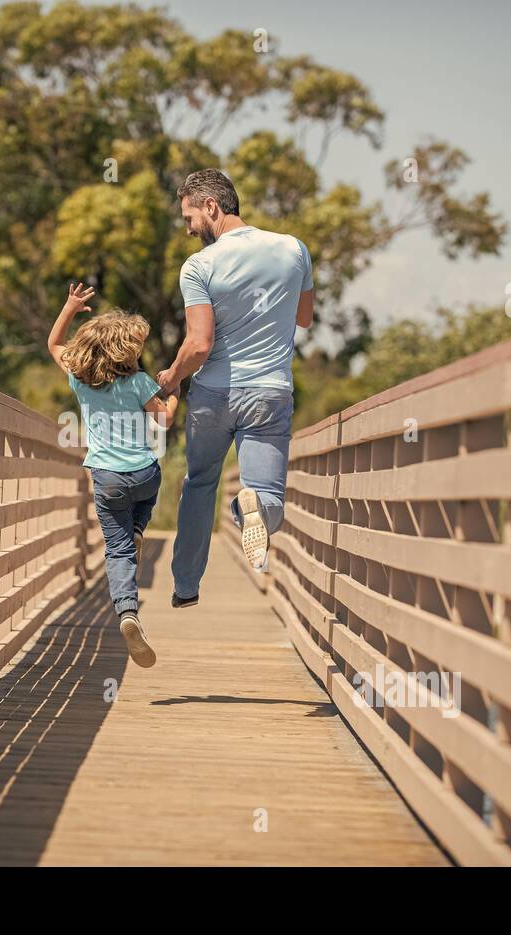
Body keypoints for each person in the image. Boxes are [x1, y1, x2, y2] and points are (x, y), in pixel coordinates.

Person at [155, 169, 315, 607]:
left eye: (189, 218)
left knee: (200, 482)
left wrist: (172, 376)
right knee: (270, 500)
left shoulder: (199, 266)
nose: (189, 230)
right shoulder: (294, 250)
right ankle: (254, 508)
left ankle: (186, 587)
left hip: (212, 395)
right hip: (268, 391)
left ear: (212, 206)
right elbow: (304, 319)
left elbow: (200, 343)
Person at [48, 282, 179, 668]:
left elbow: (54, 344)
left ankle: (127, 612)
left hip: (105, 478)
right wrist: (173, 392)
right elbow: (166, 420)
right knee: (152, 483)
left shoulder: (79, 379)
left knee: (118, 549)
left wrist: (70, 307)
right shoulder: (138, 383)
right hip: (142, 474)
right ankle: (140, 526)